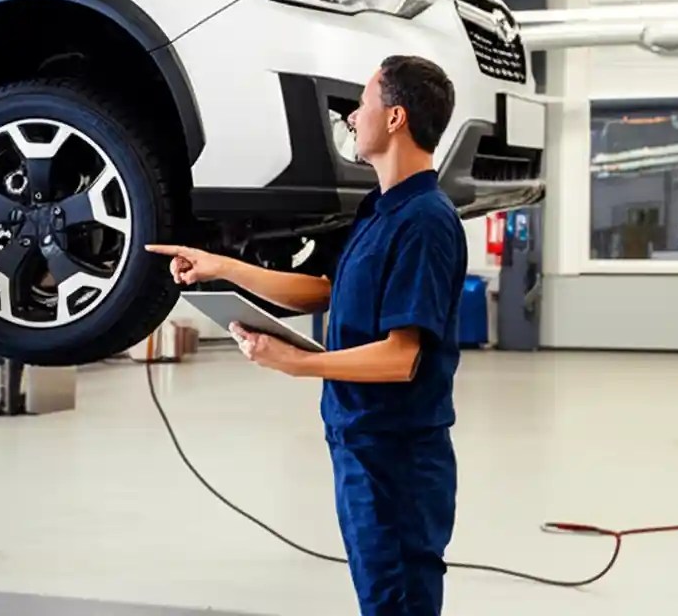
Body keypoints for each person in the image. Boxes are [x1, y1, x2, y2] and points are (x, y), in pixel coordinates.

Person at [147, 55, 466, 616]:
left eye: (362, 103)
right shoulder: (380, 209)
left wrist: (296, 362)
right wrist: (223, 267)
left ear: (394, 118)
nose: (351, 117)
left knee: (397, 602)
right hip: (359, 445)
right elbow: (326, 289)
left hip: (397, 461)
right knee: (381, 597)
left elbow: (401, 358)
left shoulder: (426, 222)